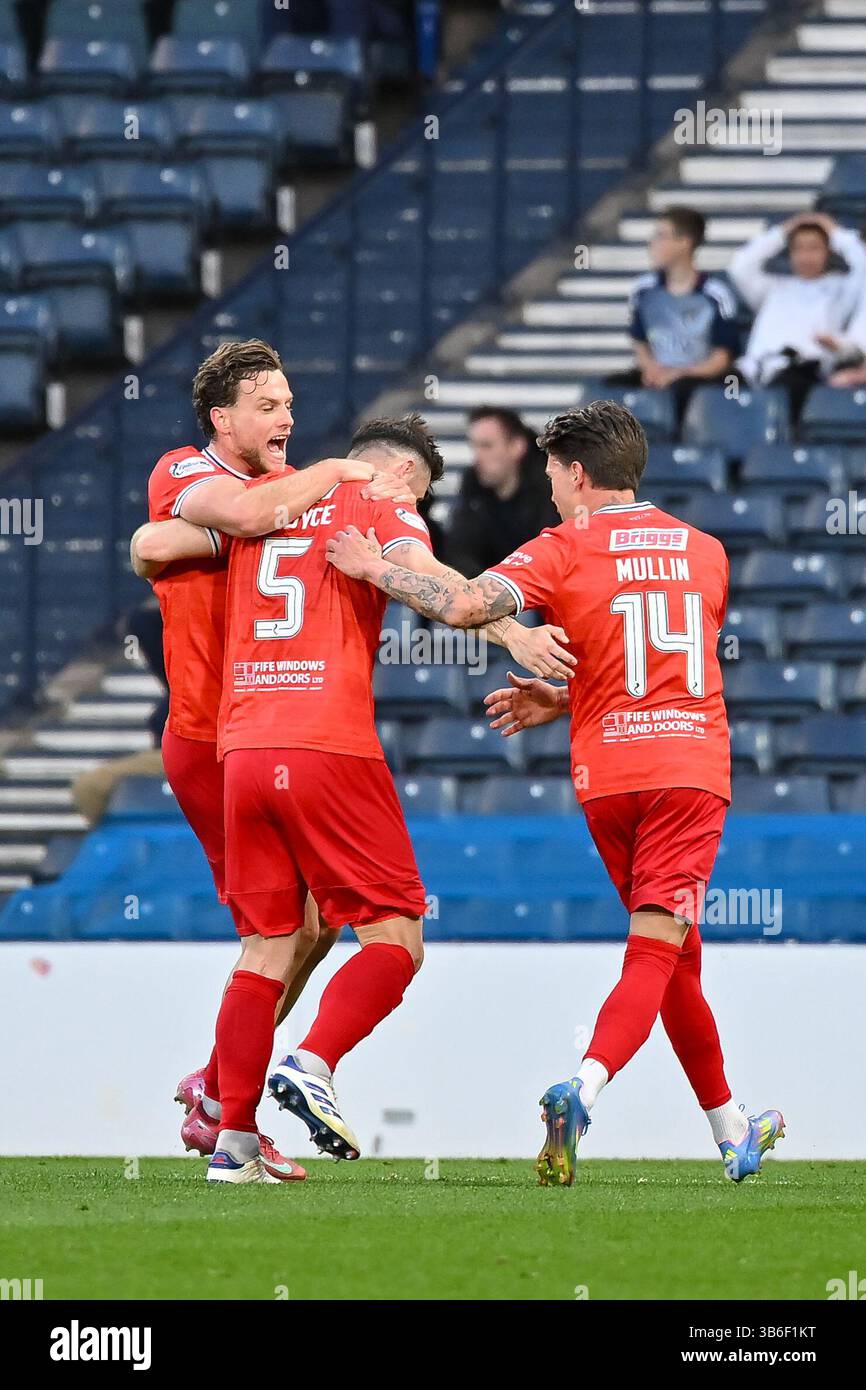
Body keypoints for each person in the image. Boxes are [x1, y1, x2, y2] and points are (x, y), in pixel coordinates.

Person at [326, 399, 784, 1186]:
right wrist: (569, 694)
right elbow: (669, 664)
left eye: (551, 476)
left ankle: (732, 1128)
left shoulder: (563, 547)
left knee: (676, 957)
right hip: (688, 774)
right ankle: (584, 1089)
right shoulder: (706, 552)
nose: (549, 492)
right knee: (656, 950)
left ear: (578, 474)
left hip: (608, 779)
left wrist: (375, 568)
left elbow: (467, 605)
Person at [135, 409, 577, 1182]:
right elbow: (444, 590)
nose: (426, 508)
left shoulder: (261, 501)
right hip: (325, 743)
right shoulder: (382, 500)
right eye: (427, 492)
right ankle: (312, 1060)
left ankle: (231, 1139)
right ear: (402, 472)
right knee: (396, 939)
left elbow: (152, 544)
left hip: (239, 745)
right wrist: (515, 634)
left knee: (272, 943)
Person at [130, 338, 416, 1181]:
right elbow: (204, 530)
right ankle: (227, 1110)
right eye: (268, 405)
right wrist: (340, 473)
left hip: (261, 731)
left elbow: (162, 546)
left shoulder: (276, 492)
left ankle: (225, 1099)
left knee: (312, 928)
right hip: (214, 738)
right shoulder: (187, 472)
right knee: (277, 933)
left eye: (291, 403)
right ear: (223, 418)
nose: (286, 417)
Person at [729, 210, 866, 417]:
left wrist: (832, 229)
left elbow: (861, 264)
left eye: (814, 248)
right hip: (751, 370)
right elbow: (739, 267)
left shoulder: (840, 289)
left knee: (778, 398)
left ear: (828, 252)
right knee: (724, 393)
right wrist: (784, 231)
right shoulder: (773, 288)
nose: (806, 256)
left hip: (802, 370)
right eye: (799, 249)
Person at [612, 206, 739, 418]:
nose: (653, 244)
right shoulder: (644, 290)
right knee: (609, 389)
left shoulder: (715, 294)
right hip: (656, 373)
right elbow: (640, 342)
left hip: (696, 379)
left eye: (661, 236)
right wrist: (651, 368)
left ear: (684, 242)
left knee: (680, 391)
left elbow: (721, 359)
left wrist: (678, 373)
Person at [443, 406, 558, 576]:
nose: (477, 457)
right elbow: (459, 551)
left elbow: (552, 556)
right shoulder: (473, 487)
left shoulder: (551, 488)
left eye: (486, 446)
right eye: (474, 446)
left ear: (517, 447)